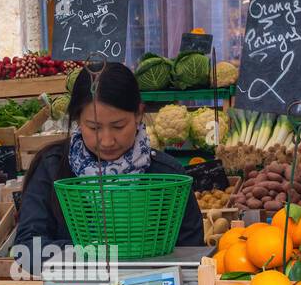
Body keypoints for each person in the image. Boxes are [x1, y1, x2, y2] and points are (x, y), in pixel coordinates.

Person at [14, 62, 203, 273]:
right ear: (77, 119)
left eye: (118, 126)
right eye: (94, 127)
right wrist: (97, 252)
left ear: (138, 114)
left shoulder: (167, 175)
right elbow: (28, 249)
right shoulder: (51, 167)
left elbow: (192, 254)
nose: (106, 140)